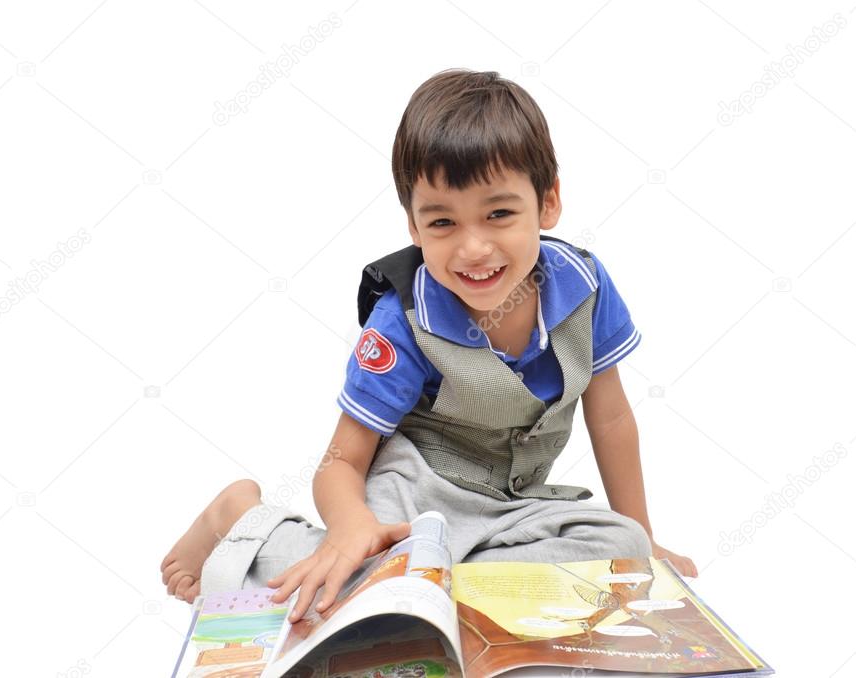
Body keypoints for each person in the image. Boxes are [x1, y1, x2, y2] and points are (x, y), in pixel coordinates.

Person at [160, 68, 697, 624]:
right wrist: (351, 531)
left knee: (621, 548)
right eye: (442, 222)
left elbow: (609, 418)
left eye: (500, 214)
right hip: (410, 501)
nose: (473, 247)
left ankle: (441, 583)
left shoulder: (583, 287)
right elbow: (340, 463)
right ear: (414, 228)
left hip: (513, 509)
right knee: (357, 586)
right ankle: (244, 517)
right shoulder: (403, 319)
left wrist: (647, 542)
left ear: (549, 202)